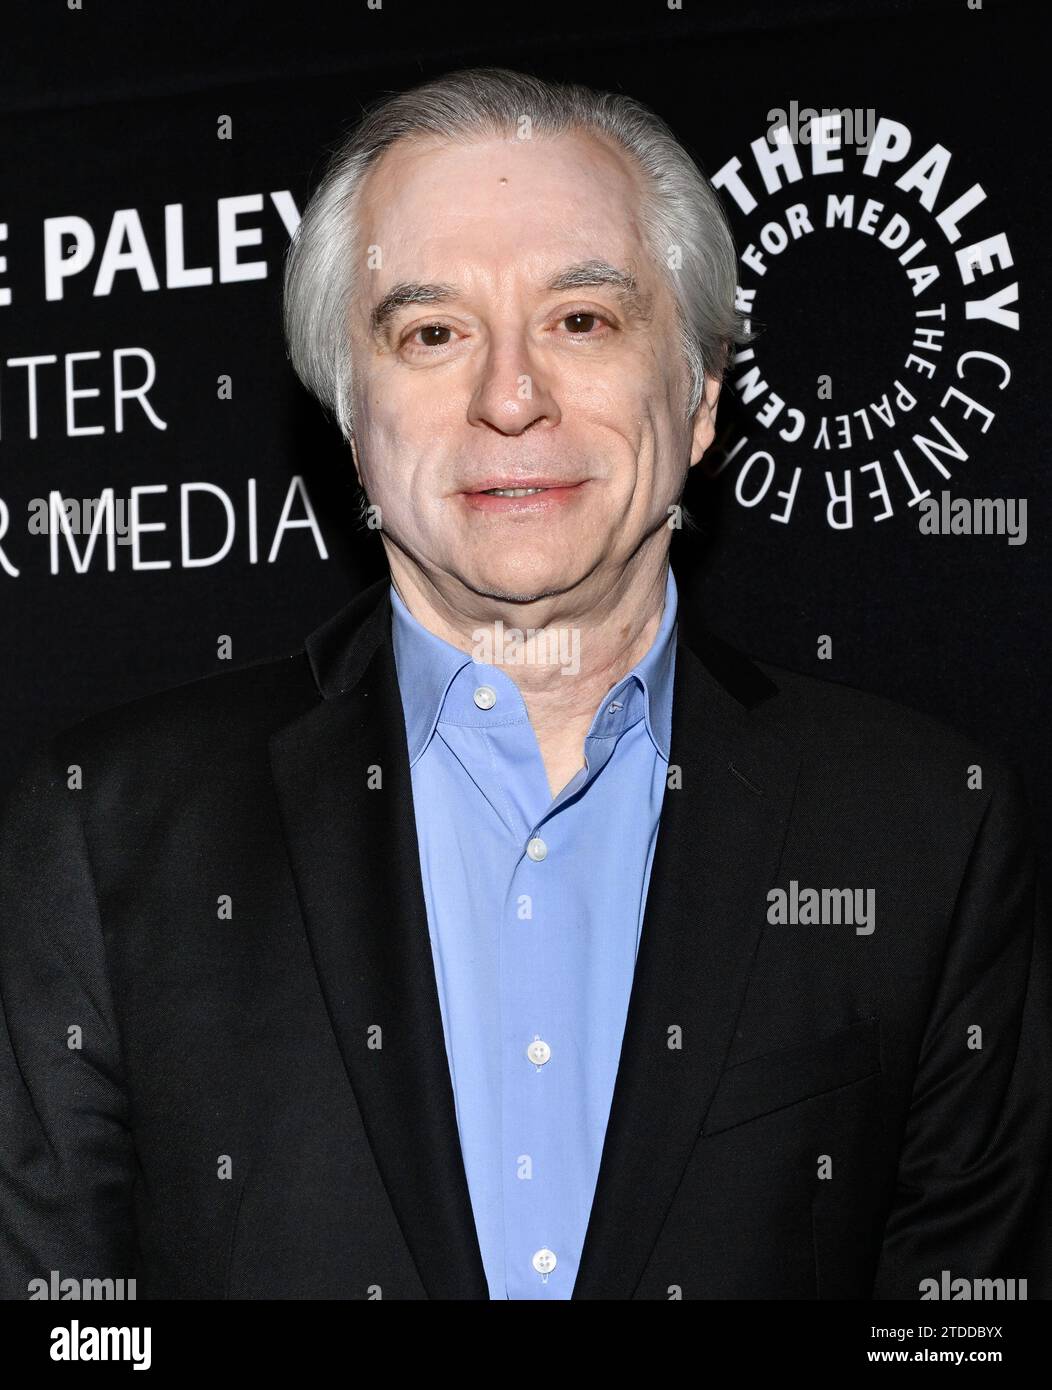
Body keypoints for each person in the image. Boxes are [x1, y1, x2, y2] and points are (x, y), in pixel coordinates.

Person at [0, 66, 1048, 1301]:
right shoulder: (110, 827)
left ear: (702, 392)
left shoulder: (922, 828)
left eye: (581, 320)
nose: (510, 397)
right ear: (351, 415)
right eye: (431, 333)